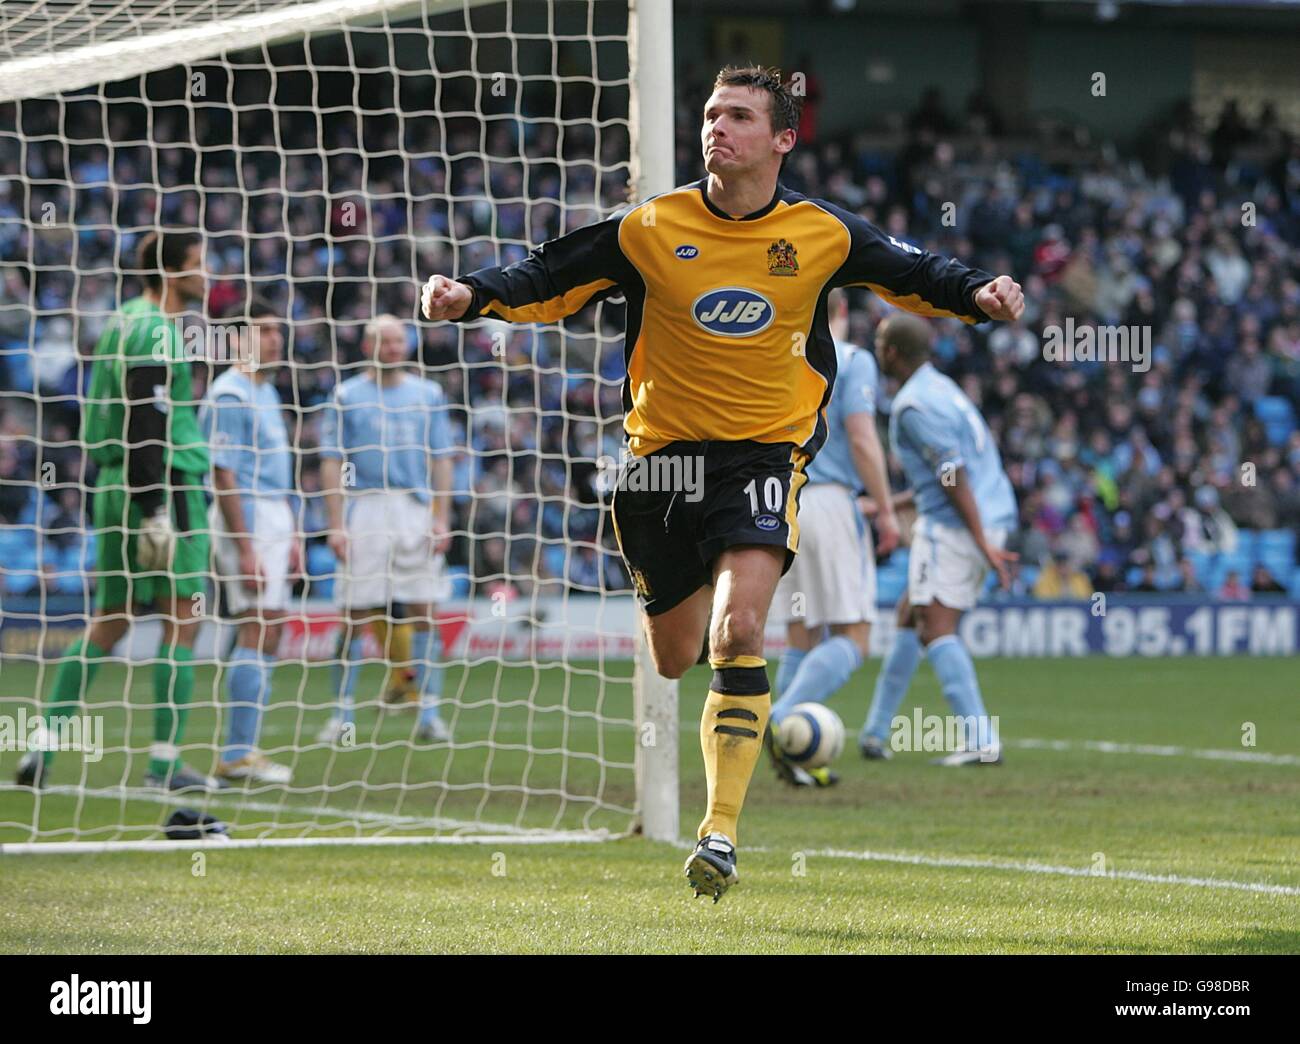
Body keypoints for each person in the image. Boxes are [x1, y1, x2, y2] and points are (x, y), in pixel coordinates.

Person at [420, 65, 1023, 901]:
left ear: (782, 139)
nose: (717, 128)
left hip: (761, 460)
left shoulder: (822, 234)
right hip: (657, 465)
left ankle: (721, 834)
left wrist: (977, 291)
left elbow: (912, 271)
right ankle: (690, 621)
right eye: (711, 114)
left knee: (739, 635)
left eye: (738, 116)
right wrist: (470, 296)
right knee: (675, 657)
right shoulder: (651, 227)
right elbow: (550, 277)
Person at [18, 230, 217, 791]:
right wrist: (156, 508)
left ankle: (43, 745)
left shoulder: (123, 318)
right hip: (163, 485)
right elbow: (147, 421)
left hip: (111, 485)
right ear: (172, 272)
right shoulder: (156, 328)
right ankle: (164, 763)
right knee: (183, 617)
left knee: (110, 621)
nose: (208, 275)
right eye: (200, 264)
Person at [859, 313, 1018, 766]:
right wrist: (888, 505)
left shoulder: (912, 406)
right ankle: (874, 732)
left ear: (891, 353)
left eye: (878, 343)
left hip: (954, 528)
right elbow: (943, 473)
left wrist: (981, 539)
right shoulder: (943, 389)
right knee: (911, 614)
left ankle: (981, 741)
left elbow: (952, 474)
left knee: (934, 625)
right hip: (979, 516)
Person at [766, 289, 899, 787]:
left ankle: (795, 760)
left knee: (802, 632)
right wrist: (885, 510)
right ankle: (780, 721)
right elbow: (862, 437)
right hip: (829, 501)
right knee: (855, 637)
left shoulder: (777, 356)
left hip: (779, 501)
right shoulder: (852, 358)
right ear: (842, 311)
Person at [317, 315, 455, 745]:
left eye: (399, 340)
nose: (394, 348)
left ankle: (428, 713)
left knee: (424, 611)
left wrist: (441, 516)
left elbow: (442, 458)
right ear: (367, 346)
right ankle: (341, 715)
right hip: (366, 508)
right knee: (353, 615)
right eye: (385, 341)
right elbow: (330, 460)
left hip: (414, 509)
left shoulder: (428, 395)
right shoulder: (346, 396)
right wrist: (336, 524)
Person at [199, 298, 301, 783]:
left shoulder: (267, 392)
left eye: (277, 331)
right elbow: (223, 475)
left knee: (271, 627)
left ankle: (243, 749)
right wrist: (244, 546)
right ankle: (236, 753)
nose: (274, 339)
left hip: (274, 514)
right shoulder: (230, 394)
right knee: (256, 623)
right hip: (247, 519)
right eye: (262, 330)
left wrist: (293, 529)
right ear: (238, 338)